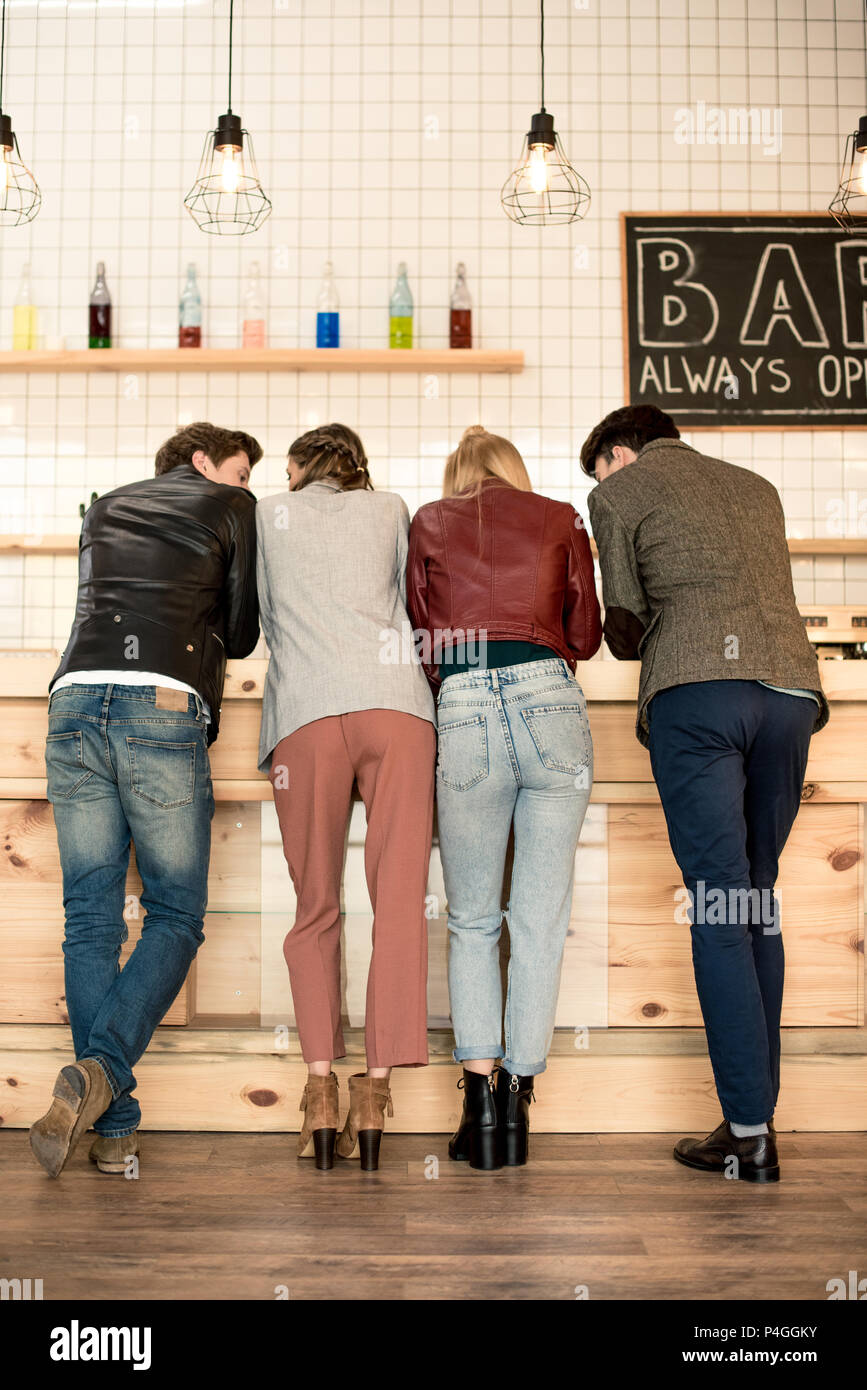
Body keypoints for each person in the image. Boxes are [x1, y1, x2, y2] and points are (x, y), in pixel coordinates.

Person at [581, 404, 829, 1183]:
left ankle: (750, 1134)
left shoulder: (618, 492)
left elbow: (621, 625)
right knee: (756, 896)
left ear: (617, 453)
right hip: (790, 694)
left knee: (719, 903)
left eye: (599, 470)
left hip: (699, 696)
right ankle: (750, 1117)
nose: (600, 484)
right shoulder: (755, 486)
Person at [30, 423, 261, 1178]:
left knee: (90, 919)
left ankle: (114, 1127)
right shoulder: (229, 507)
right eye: (238, 469)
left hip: (70, 704)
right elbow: (241, 627)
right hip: (159, 707)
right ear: (202, 462)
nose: (245, 483)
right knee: (175, 913)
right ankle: (101, 1075)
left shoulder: (102, 506)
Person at [407, 425, 602, 1170]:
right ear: (513, 472)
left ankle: (478, 1106)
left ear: (458, 475)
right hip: (550, 703)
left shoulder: (430, 520)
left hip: (463, 709)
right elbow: (582, 634)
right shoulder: (558, 516)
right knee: (541, 922)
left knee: (472, 921)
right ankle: (518, 1108)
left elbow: (424, 634)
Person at [257, 423, 436, 1172]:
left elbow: (250, 617)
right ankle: (377, 1092)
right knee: (398, 904)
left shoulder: (266, 513)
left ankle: (319, 1088)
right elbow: (415, 607)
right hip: (396, 712)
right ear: (359, 469)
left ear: (296, 468)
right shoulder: (393, 508)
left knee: (314, 908)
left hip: (305, 714)